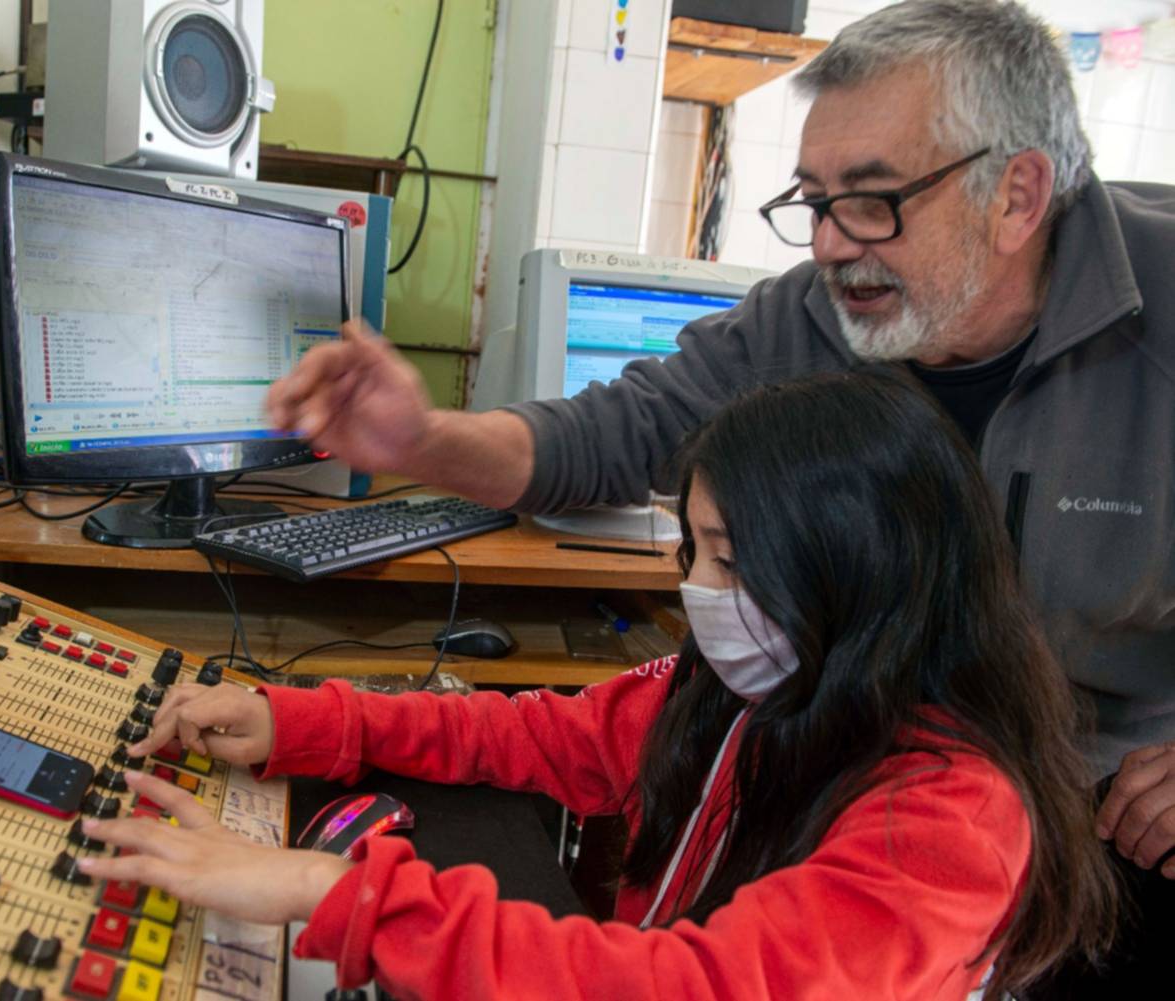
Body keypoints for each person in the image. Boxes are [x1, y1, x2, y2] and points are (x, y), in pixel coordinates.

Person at [265, 2, 1175, 991]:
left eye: (870, 199)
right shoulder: (820, 311)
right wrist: (422, 440)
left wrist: (331, 894)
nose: (828, 244)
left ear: (1016, 193)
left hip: (1099, 805)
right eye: (813, 200)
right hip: (857, 741)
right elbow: (619, 435)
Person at [79, 370, 1117, 1001]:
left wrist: (331, 890)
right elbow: (534, 737)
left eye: (729, 557)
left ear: (853, 573)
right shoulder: (751, 690)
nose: (701, 594)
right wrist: (296, 717)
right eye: (695, 553)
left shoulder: (952, 819)